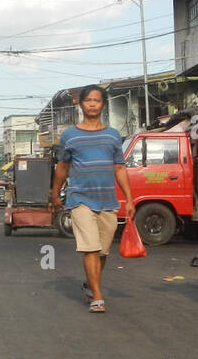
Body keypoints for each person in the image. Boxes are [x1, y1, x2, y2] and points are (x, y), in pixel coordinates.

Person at [49, 86, 136, 312]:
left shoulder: (112, 135)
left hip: (107, 200)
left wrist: (130, 199)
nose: (92, 104)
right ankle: (97, 296)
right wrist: (55, 193)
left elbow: (119, 168)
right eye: (88, 100)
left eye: (96, 101)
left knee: (102, 252)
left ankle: (90, 284)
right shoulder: (69, 135)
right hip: (80, 198)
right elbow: (62, 167)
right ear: (81, 104)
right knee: (90, 248)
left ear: (103, 105)